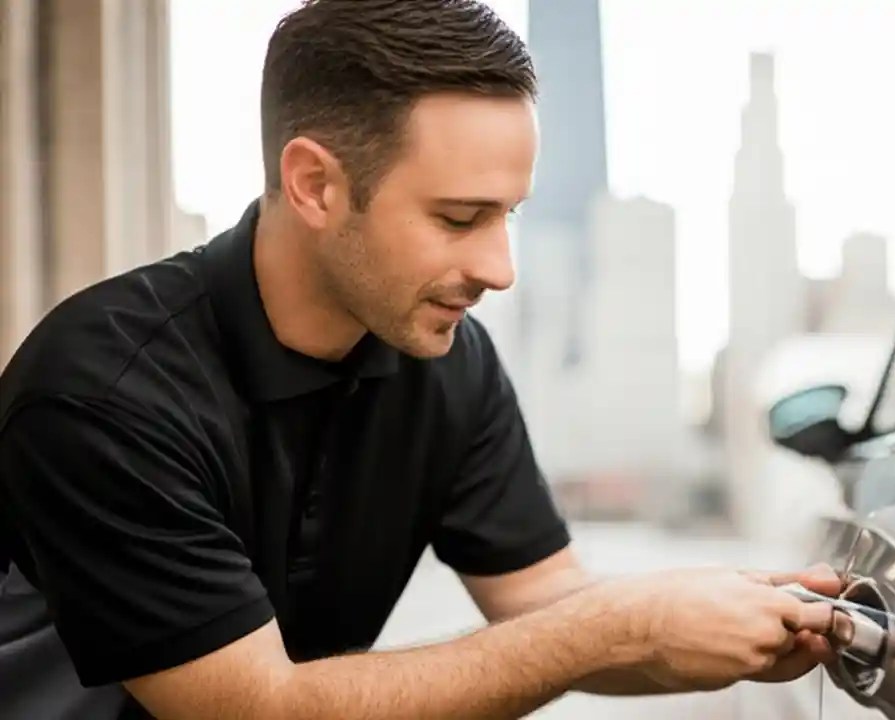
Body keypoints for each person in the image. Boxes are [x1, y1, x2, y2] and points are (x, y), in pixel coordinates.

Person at [0, 1, 852, 718]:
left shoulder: (447, 358)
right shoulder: (104, 391)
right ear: (315, 185)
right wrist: (621, 625)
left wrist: (719, 618)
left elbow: (545, 609)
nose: (499, 270)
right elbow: (254, 707)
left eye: (508, 216)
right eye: (458, 218)